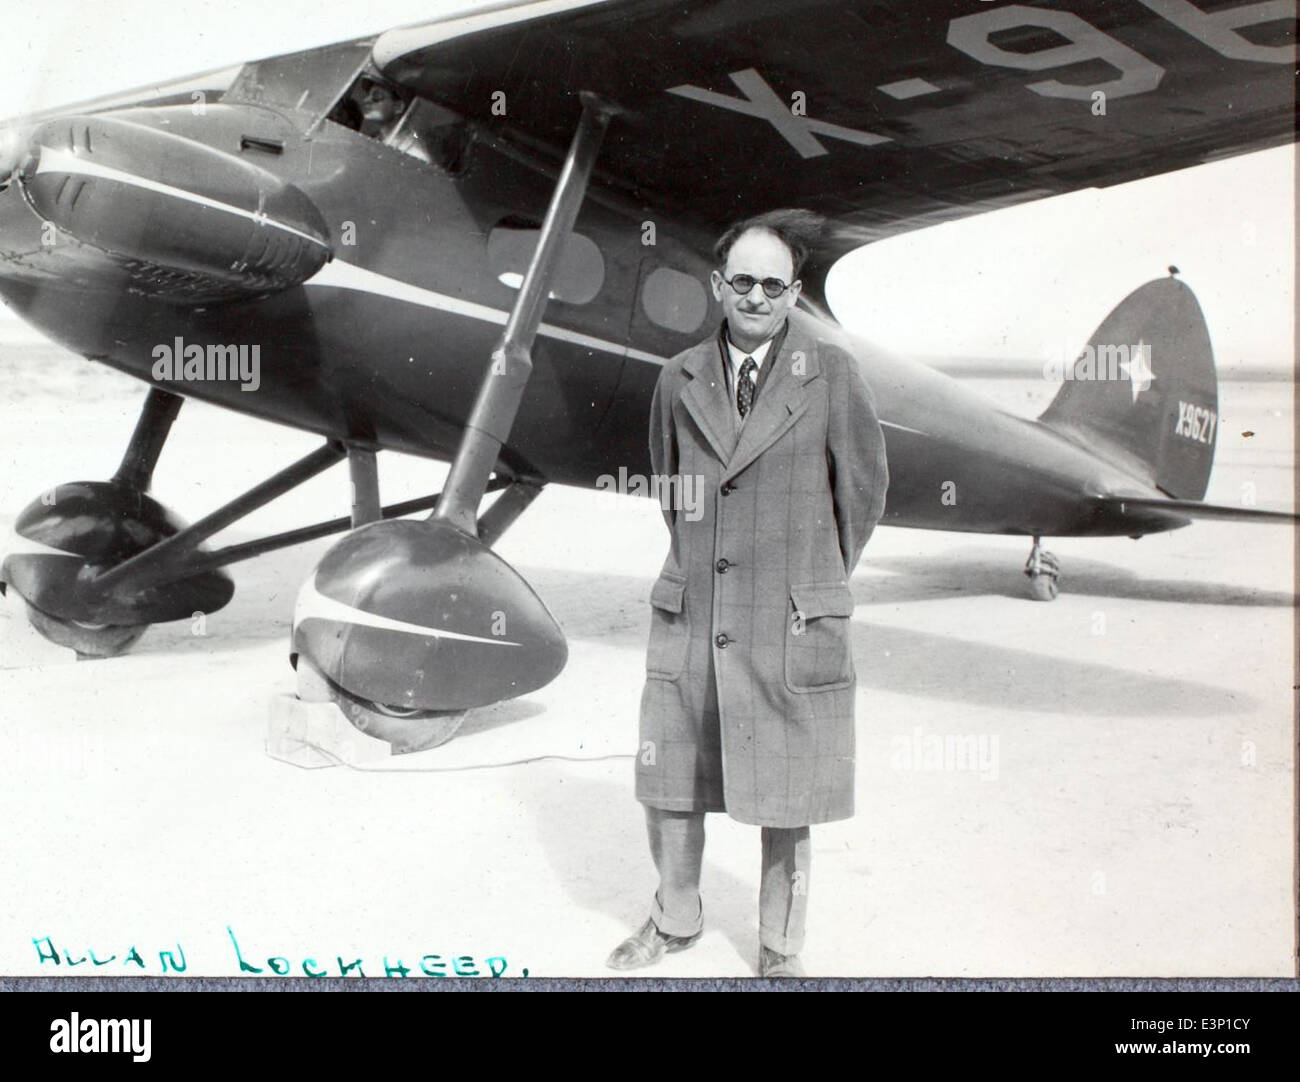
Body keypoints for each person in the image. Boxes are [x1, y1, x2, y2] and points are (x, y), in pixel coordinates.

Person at [607, 209, 889, 977]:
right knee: (669, 783)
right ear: (718, 286)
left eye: (774, 284)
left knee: (787, 798)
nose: (757, 298)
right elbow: (673, 491)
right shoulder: (679, 377)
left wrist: (811, 583)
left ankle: (779, 950)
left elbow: (860, 495)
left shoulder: (832, 374)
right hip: (694, 609)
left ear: (795, 293)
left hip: (788, 618)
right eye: (743, 282)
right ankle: (676, 919)